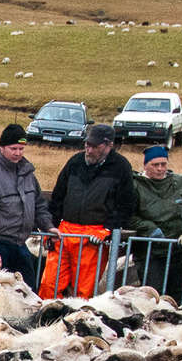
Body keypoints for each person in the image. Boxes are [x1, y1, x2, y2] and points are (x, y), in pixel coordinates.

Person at [42, 123, 135, 299]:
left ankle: (77, 316)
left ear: (109, 145)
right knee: (50, 285)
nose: (89, 150)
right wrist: (50, 227)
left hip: (93, 236)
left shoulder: (121, 167)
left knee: (83, 291)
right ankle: (48, 314)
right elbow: (58, 197)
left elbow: (126, 205)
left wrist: (107, 230)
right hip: (65, 231)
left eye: (94, 146)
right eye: (87, 144)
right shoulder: (75, 162)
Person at [0, 123, 53, 283]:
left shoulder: (27, 173)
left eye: (21, 149)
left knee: (28, 290)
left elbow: (38, 204)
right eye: (13, 148)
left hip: (19, 243)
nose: (17, 153)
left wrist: (48, 226)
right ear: (1, 147)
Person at [127, 145, 182, 294]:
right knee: (154, 293)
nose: (160, 169)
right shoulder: (135, 185)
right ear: (145, 165)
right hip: (150, 250)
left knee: (181, 293)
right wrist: (149, 228)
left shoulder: (181, 182)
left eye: (163, 164)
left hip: (179, 248)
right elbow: (128, 215)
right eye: (155, 165)